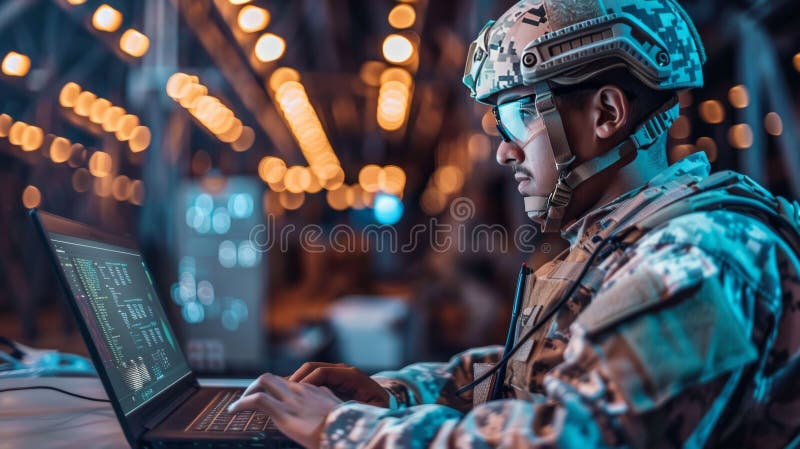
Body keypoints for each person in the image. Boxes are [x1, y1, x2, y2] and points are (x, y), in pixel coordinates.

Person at [229, 0, 800, 447]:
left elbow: (571, 436)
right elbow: (533, 373)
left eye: (518, 115)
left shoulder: (699, 258)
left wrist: (343, 431)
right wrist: (390, 396)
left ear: (605, 115)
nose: (503, 152)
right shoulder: (613, 243)